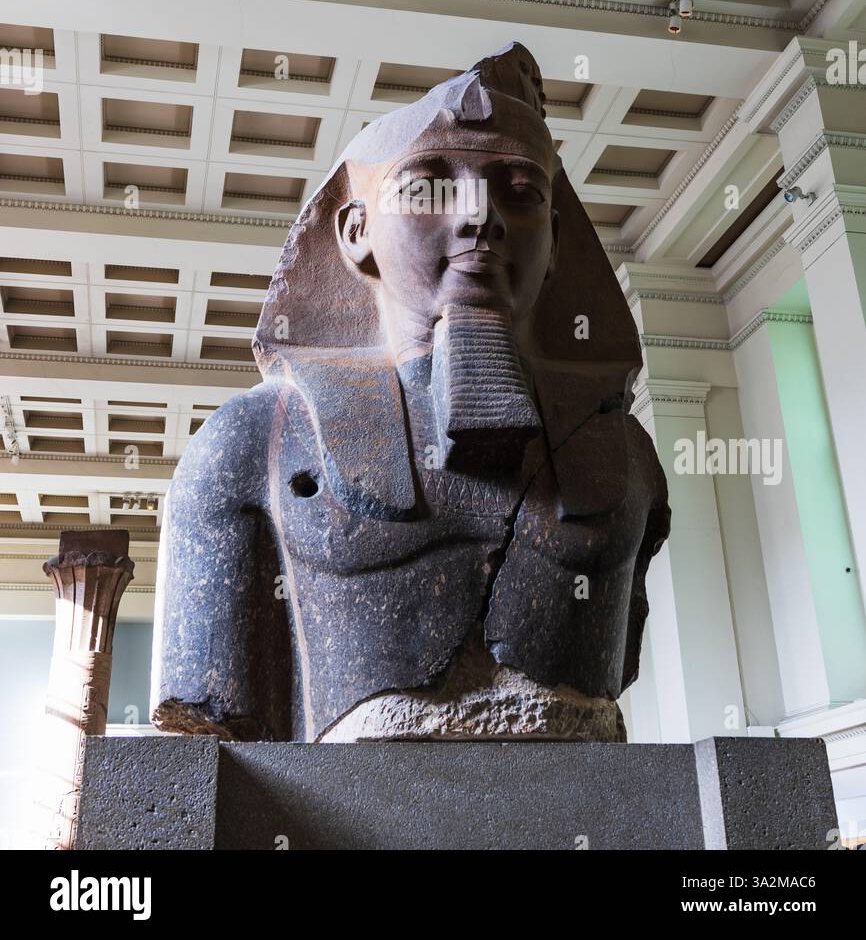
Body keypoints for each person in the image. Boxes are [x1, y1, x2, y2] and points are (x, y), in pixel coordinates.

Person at [151, 42, 670, 743]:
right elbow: (205, 734)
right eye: (428, 187)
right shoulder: (248, 445)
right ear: (356, 231)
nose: (480, 217)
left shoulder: (625, 454)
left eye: (520, 191)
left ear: (553, 238)